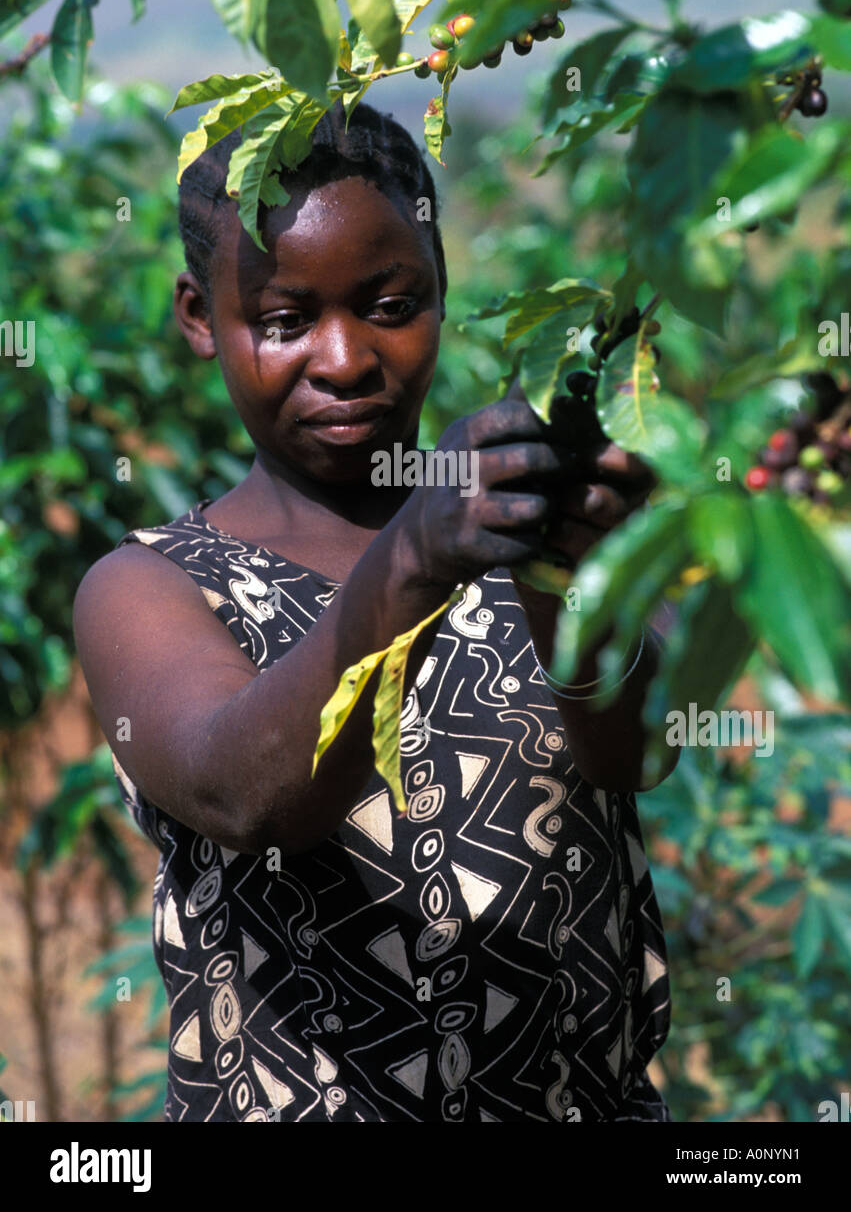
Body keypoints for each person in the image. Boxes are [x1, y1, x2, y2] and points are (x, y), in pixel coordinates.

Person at [74, 101, 678, 1123]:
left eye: (390, 304)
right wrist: (412, 559)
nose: (345, 358)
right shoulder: (150, 585)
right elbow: (244, 794)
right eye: (282, 320)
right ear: (195, 315)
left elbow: (636, 752)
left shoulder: (511, 531)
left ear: (439, 286)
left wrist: (570, 574)